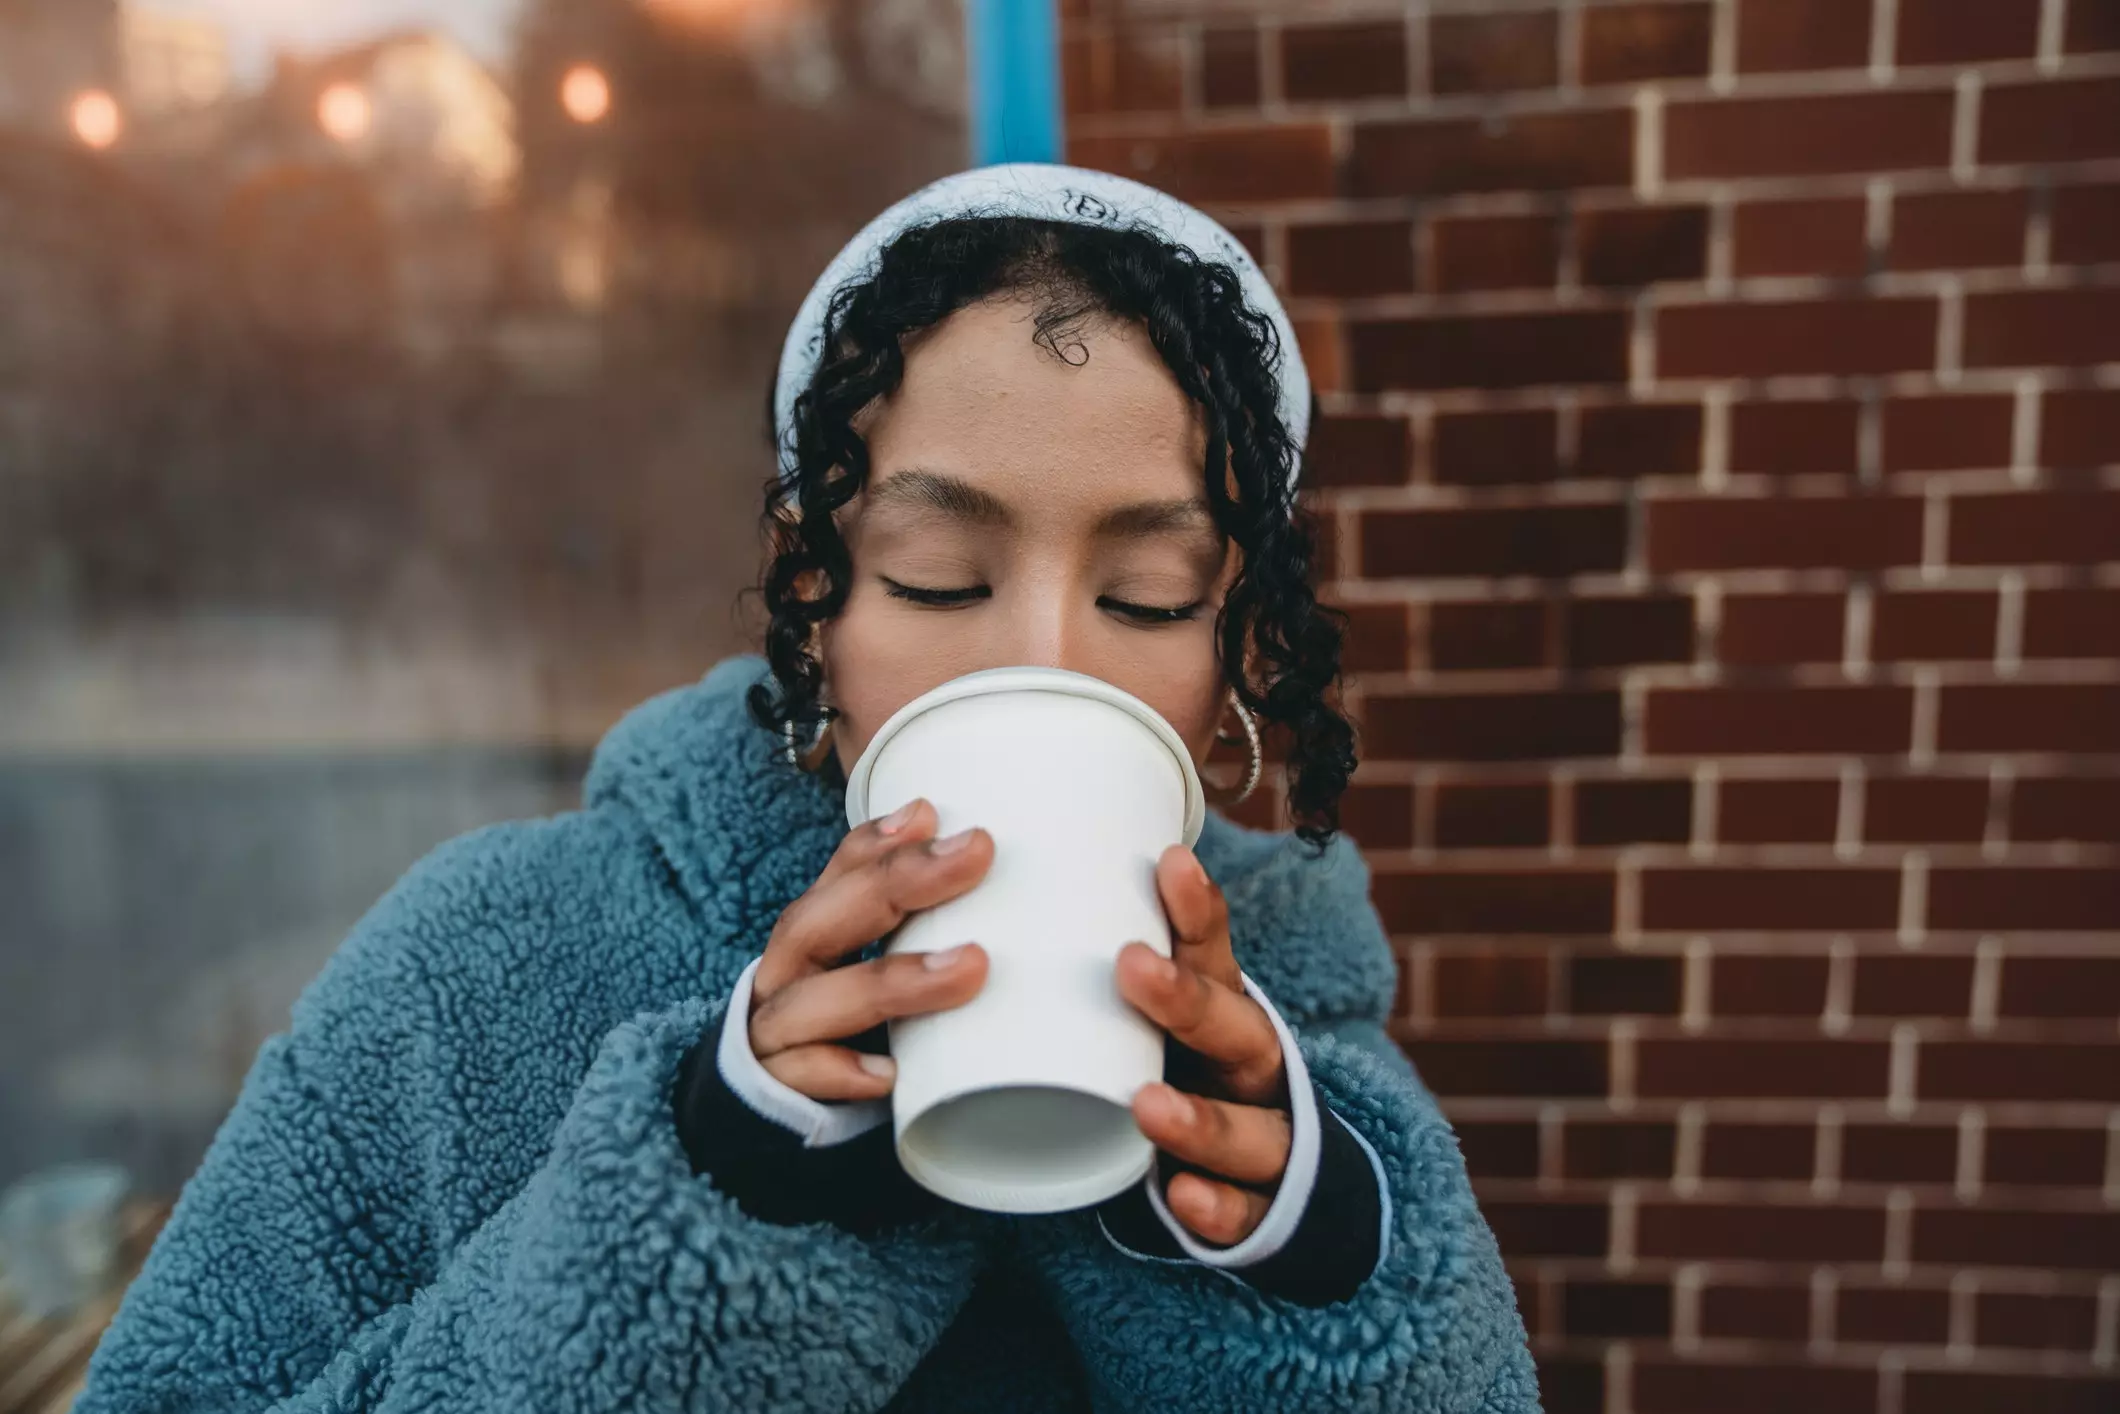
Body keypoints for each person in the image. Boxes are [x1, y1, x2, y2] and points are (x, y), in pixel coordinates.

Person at [75, 166, 1539, 1413]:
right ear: (811, 596)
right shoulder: (478, 970)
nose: (1040, 661)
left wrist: (1314, 1256)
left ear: (1239, 656)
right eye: (939, 578)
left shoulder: (1302, 1056)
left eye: (1149, 598)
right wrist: (706, 1189)